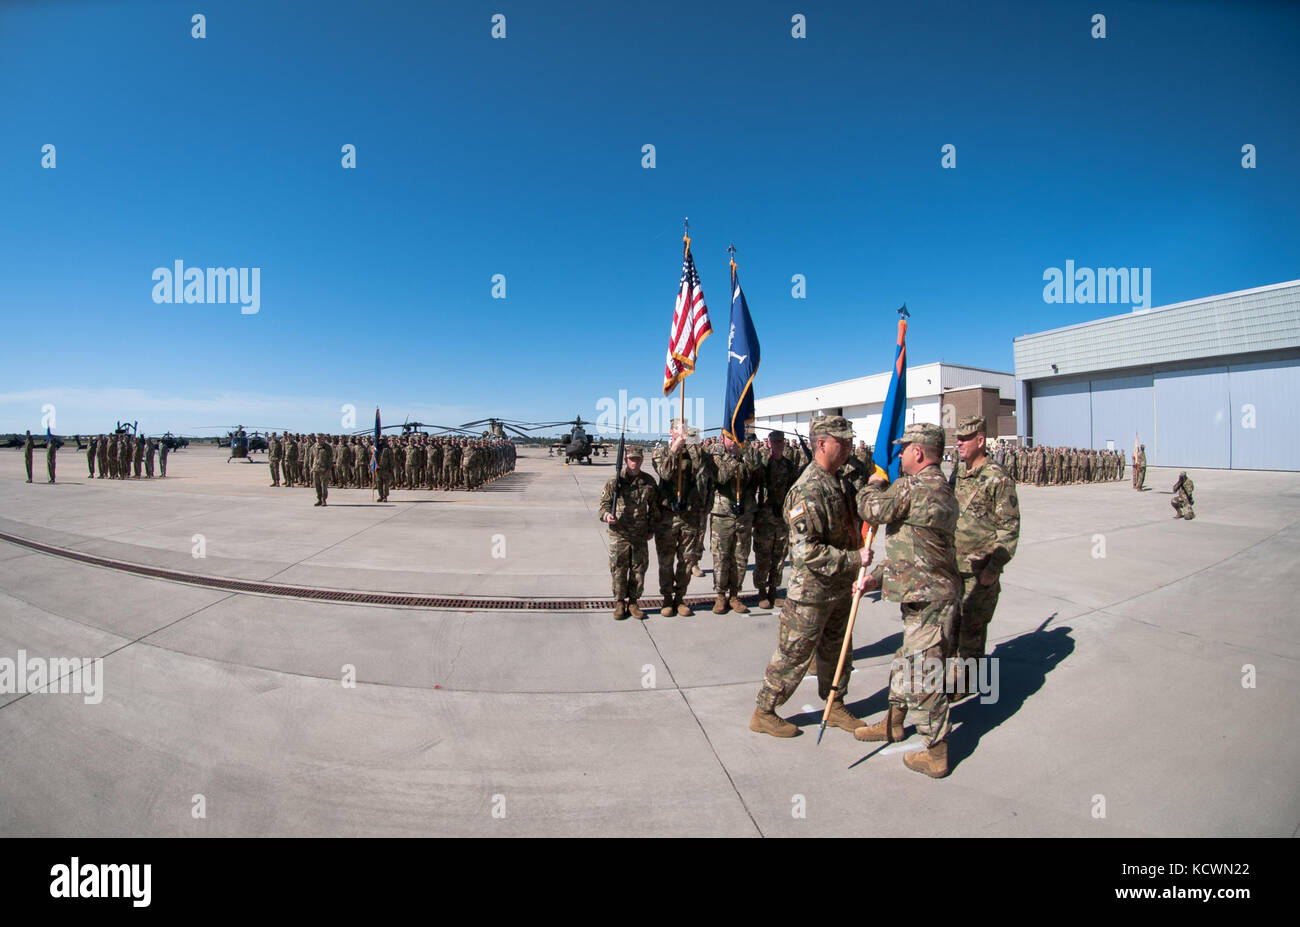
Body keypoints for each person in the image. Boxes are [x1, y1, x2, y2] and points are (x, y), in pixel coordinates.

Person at [853, 423, 961, 778]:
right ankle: (893, 723)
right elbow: (916, 553)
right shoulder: (942, 488)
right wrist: (876, 578)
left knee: (922, 676)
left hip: (928, 601)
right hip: (930, 594)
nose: (898, 455)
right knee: (905, 662)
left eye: (904, 450)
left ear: (919, 452)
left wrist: (871, 483)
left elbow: (872, 510)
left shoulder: (915, 487)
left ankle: (936, 750)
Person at [751, 415, 869, 738]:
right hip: (811, 592)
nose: (847, 448)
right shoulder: (807, 489)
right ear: (821, 444)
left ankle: (835, 704)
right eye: (840, 442)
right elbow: (808, 553)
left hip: (838, 588)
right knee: (794, 654)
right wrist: (854, 558)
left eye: (848, 441)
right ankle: (764, 710)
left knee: (838, 650)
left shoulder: (839, 481)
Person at [951, 416, 1020, 696]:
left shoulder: (996, 476)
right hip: (955, 567)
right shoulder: (959, 472)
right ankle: (964, 679)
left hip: (980, 572)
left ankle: (974, 685)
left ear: (980, 441)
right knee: (954, 629)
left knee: (974, 631)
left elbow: (1009, 527)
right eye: (958, 438)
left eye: (965, 438)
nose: (959, 443)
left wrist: (994, 568)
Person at [652, 420, 710, 617]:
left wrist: (691, 444)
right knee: (666, 561)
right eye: (680, 430)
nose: (684, 433)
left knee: (686, 561)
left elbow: (702, 467)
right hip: (667, 517)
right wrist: (676, 447)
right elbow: (666, 473)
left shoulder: (694, 452)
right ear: (671, 432)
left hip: (689, 515)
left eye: (687, 430)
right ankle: (667, 599)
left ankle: (680, 598)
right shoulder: (660, 453)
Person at [598, 446, 659, 620]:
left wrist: (651, 529)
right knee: (618, 569)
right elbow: (603, 505)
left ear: (642, 460)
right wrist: (606, 516)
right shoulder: (614, 481)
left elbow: (654, 509)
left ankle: (633, 602)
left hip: (640, 534)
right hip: (619, 533)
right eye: (631, 459)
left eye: (638, 459)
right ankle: (619, 602)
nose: (634, 462)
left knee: (638, 570)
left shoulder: (648, 482)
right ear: (626, 460)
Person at [708, 432, 761, 614]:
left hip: (743, 514)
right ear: (723, 439)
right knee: (721, 557)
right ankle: (721, 595)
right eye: (730, 438)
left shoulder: (747, 454)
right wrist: (733, 457)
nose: (734, 441)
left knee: (741, 557)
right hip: (722, 514)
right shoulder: (716, 457)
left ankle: (735, 595)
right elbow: (721, 477)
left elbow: (755, 470)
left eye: (737, 437)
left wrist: (744, 451)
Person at [752, 430, 799, 609]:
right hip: (765, 516)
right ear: (769, 443)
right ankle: (762, 592)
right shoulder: (763, 464)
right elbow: (753, 486)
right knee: (763, 556)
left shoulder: (788, 465)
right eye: (776, 441)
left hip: (782, 518)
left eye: (782, 441)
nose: (779, 444)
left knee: (779, 556)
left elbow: (794, 489)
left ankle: (773, 589)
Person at [312, 433, 333, 506]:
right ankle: (319, 499)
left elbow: (330, 459)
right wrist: (311, 467)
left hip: (324, 468)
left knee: (324, 485)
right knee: (317, 485)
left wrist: (328, 469)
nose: (318, 439)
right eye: (317, 438)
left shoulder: (327, 447)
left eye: (319, 438)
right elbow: (312, 457)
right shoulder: (314, 446)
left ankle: (324, 499)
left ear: (323, 439)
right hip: (316, 468)